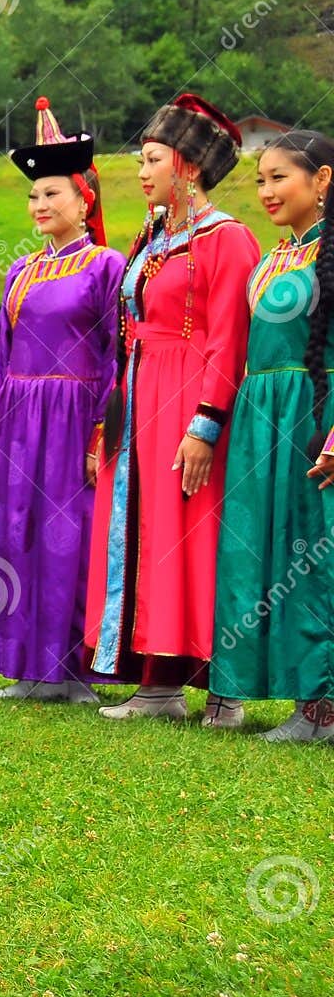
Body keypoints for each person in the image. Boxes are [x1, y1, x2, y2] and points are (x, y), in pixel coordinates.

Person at [85, 94, 259, 725]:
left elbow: (227, 337)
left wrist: (206, 423)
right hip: (140, 395)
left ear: (187, 166)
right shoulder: (155, 237)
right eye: (140, 157)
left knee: (195, 533)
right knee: (145, 534)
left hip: (188, 397)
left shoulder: (227, 239)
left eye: (152, 158)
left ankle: (224, 686)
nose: (141, 169)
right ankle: (157, 679)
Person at [0, 98, 123, 703]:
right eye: (33, 197)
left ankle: (73, 672)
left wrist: (100, 435)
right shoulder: (19, 273)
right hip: (17, 419)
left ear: (85, 200)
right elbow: (1, 360)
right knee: (15, 535)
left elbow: (116, 357)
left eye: (52, 195)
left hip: (73, 416)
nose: (40, 206)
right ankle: (27, 669)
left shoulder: (106, 267)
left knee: (69, 537)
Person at [211, 131, 334, 742]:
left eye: (279, 177)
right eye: (259, 180)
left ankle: (322, 708)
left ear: (323, 180)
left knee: (315, 555)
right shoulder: (273, 259)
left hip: (314, 416)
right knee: (272, 554)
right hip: (262, 416)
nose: (265, 191)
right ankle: (291, 695)